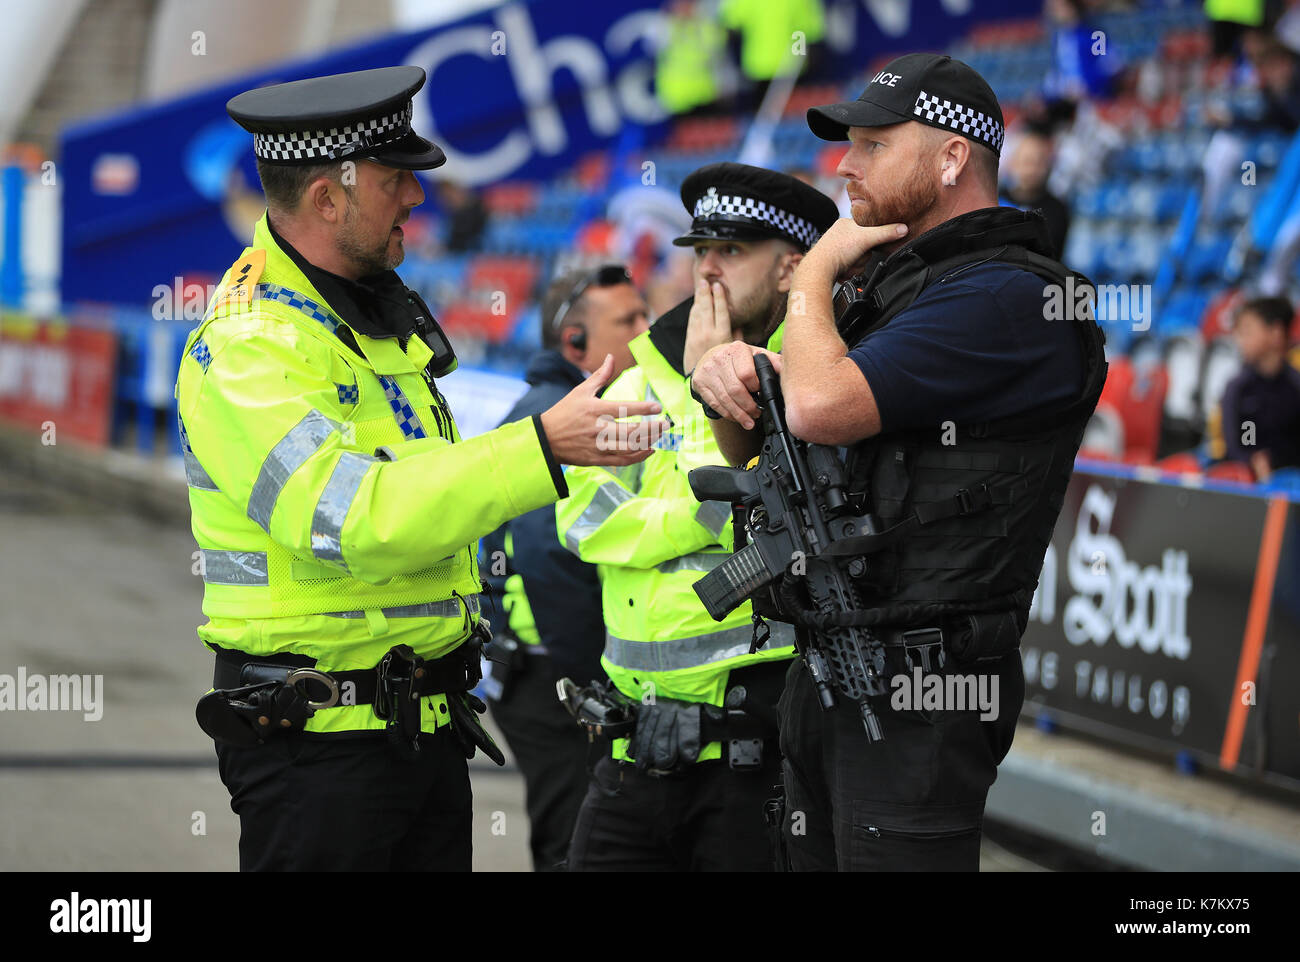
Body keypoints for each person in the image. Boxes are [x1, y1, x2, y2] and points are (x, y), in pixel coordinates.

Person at [176, 66, 663, 872]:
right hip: (322, 755)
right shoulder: (250, 343)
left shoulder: (365, 318)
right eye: (397, 178)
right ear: (330, 198)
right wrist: (540, 447)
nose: (415, 198)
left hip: (415, 734)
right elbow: (351, 518)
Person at [691, 53, 1107, 871]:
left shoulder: (1010, 297)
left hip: (922, 692)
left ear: (953, 157)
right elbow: (775, 439)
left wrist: (812, 271)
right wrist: (730, 379)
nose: (846, 164)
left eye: (875, 143)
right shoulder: (895, 284)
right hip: (829, 671)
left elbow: (820, 406)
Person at [557, 163, 839, 871]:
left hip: (754, 761)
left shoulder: (814, 383)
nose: (707, 268)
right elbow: (586, 521)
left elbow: (786, 513)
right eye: (700, 250)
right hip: (631, 749)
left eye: (732, 251)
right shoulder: (640, 378)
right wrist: (704, 509)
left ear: (790, 269)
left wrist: (669, 513)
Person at [479, 265, 650, 871]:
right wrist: (597, 688)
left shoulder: (549, 407)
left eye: (645, 313)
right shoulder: (559, 419)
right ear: (575, 343)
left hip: (535, 672)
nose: (646, 329)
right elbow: (548, 561)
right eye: (628, 321)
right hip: (553, 678)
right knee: (572, 847)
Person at [1218, 295, 1300, 480]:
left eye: (1247, 331)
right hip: (1249, 484)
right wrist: (1252, 461)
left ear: (1276, 333)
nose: (1240, 341)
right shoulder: (1241, 390)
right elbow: (1241, 445)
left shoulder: (1295, 387)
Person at [999, 125, 1071, 258]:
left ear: (1048, 166)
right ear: (1012, 163)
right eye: (1026, 161)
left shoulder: (1058, 210)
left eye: (1038, 162)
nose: (1031, 169)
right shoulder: (994, 200)